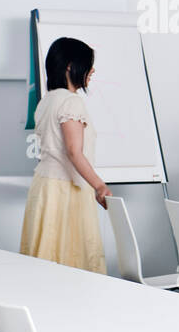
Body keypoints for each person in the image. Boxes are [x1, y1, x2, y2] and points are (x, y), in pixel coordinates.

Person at [19, 37, 110, 272]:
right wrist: (100, 186)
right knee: (71, 262)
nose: (91, 71)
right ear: (70, 66)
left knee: (45, 259)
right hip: (67, 190)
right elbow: (73, 151)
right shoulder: (71, 102)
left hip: (45, 188)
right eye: (87, 64)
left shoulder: (46, 101)